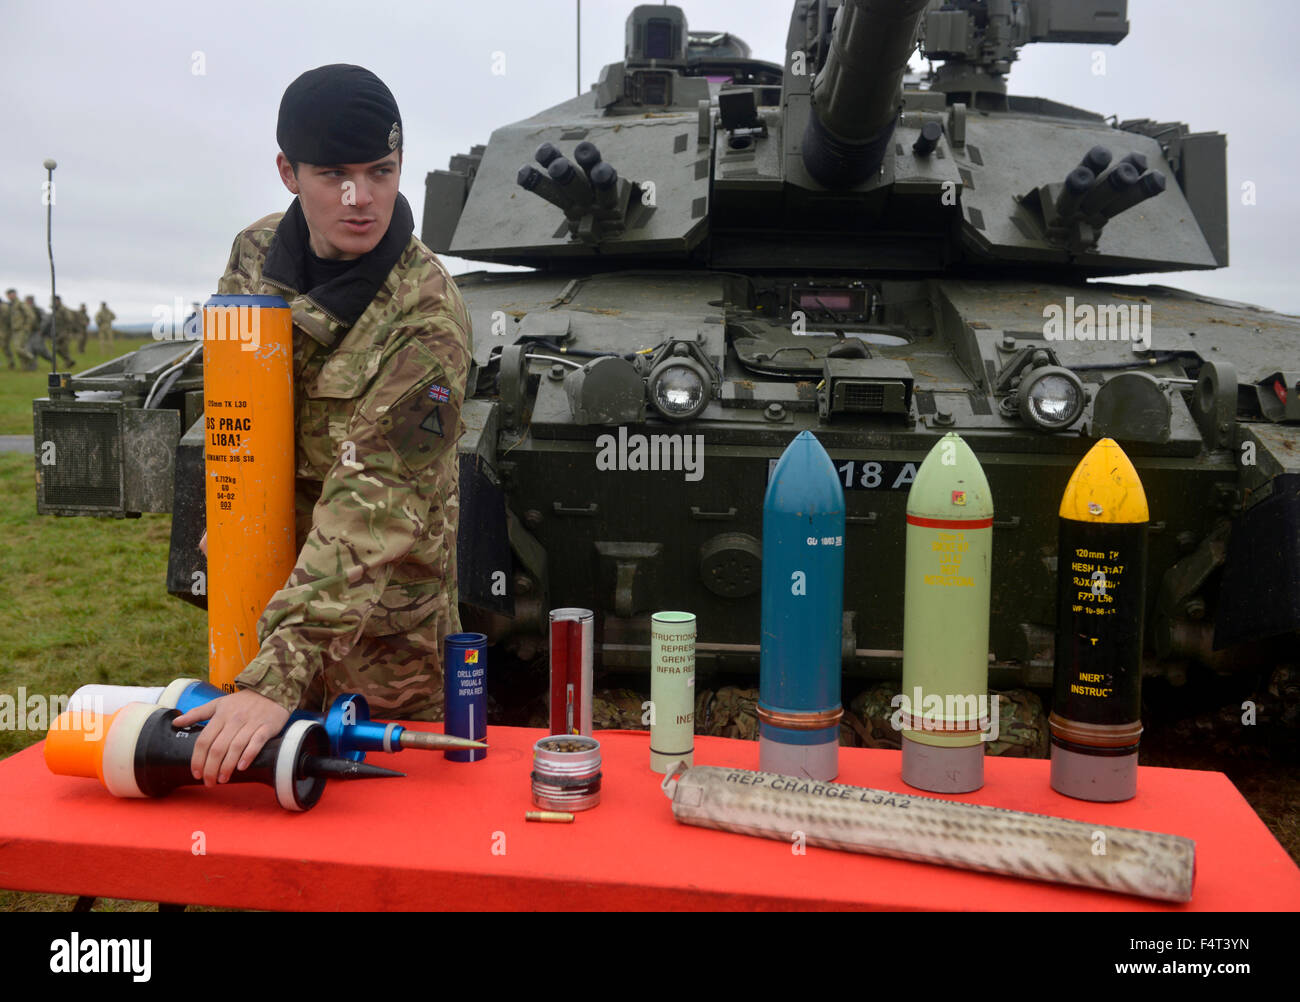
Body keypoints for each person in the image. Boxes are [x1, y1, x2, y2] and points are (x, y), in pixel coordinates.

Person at [174, 65, 473, 788]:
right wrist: (231, 515)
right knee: (258, 808)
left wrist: (275, 676)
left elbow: (377, 503)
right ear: (287, 171)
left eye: (380, 171)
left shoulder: (428, 318)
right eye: (333, 173)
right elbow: (235, 400)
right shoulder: (254, 256)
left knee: (387, 840)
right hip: (261, 600)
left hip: (384, 645)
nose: (360, 198)